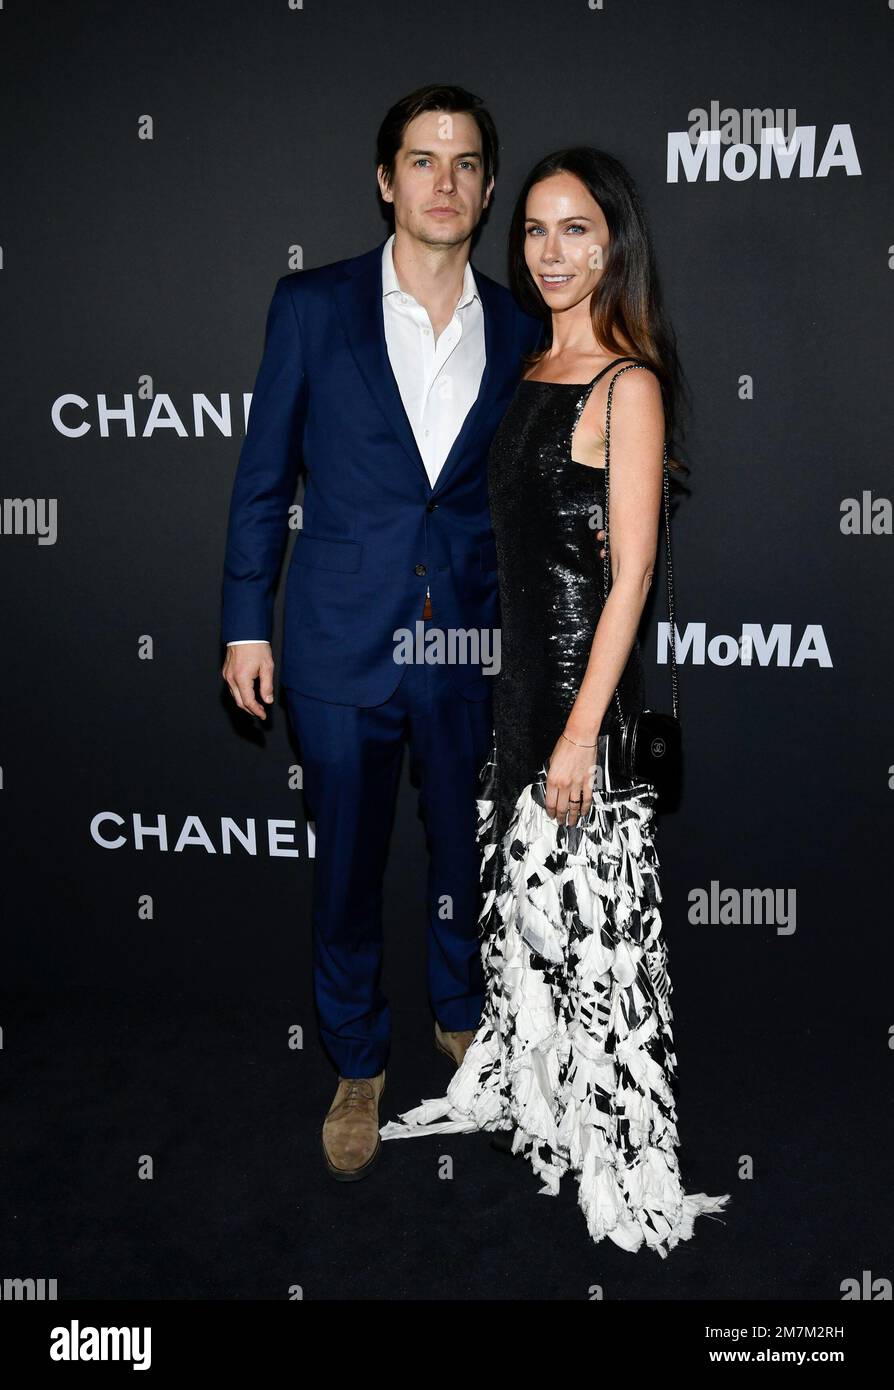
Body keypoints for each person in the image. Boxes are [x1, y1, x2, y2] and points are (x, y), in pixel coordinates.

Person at [220, 85, 577, 1181]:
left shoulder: (522, 324)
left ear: (487, 187)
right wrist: (246, 622)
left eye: (467, 163)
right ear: (387, 179)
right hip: (335, 644)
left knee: (468, 851)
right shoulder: (311, 306)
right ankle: (359, 1060)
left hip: (471, 640)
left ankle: (463, 1020)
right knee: (349, 870)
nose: (445, 181)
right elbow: (261, 477)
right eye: (423, 160)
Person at [380, 147, 731, 1257]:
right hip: (522, 697)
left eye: (576, 229)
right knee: (531, 935)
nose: (551, 251)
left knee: (607, 951)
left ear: (615, 241)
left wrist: (582, 731)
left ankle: (630, 1171)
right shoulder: (533, 369)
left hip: (586, 714)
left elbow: (629, 573)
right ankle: (554, 1119)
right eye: (533, 230)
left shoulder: (630, 384)